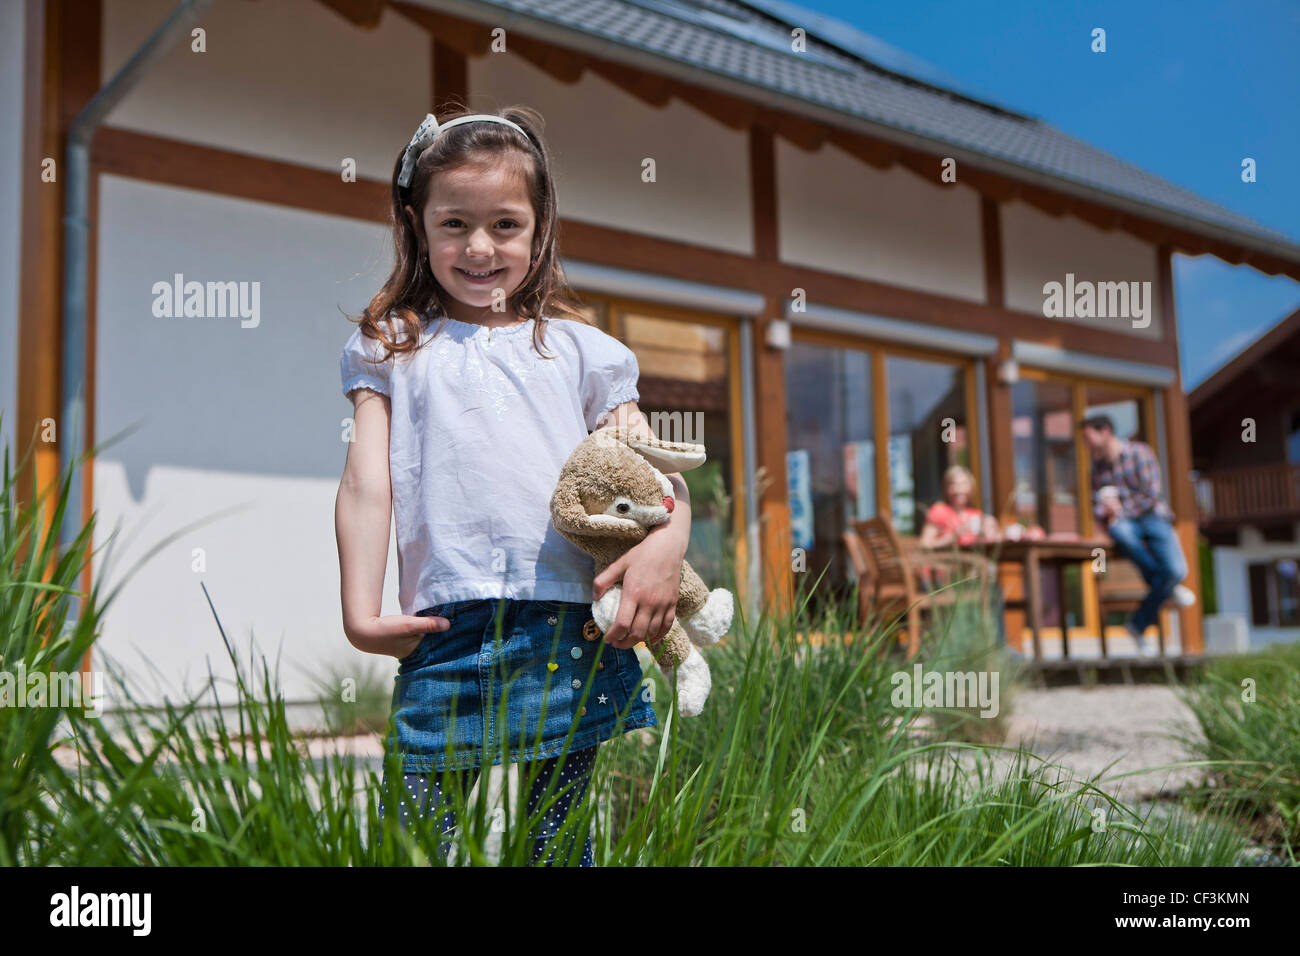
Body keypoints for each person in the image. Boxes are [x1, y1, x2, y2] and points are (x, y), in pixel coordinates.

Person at [336, 108, 687, 865]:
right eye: (455, 222)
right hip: (444, 630)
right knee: (413, 841)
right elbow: (367, 483)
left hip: (569, 624)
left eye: (505, 224)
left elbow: (653, 472)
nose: (480, 246)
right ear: (416, 223)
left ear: (540, 227)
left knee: (554, 846)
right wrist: (359, 610)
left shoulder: (585, 352)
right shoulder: (391, 346)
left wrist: (668, 546)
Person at [1079, 415, 1195, 652]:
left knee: (1176, 570)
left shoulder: (1139, 453)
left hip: (1153, 517)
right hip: (1124, 523)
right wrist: (1106, 510)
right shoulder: (1097, 468)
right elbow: (1096, 502)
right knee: (1119, 532)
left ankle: (1139, 623)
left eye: (1087, 437)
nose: (1084, 443)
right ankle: (1170, 588)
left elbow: (1151, 494)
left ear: (1105, 432)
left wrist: (1121, 509)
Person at [919, 465, 1008, 648]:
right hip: (943, 579)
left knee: (992, 586)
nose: (958, 489)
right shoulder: (940, 511)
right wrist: (952, 536)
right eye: (953, 484)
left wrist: (991, 529)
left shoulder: (975, 516)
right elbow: (925, 544)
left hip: (969, 576)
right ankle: (993, 646)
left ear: (971, 488)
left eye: (963, 484)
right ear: (947, 488)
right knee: (988, 588)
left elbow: (994, 539)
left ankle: (994, 645)